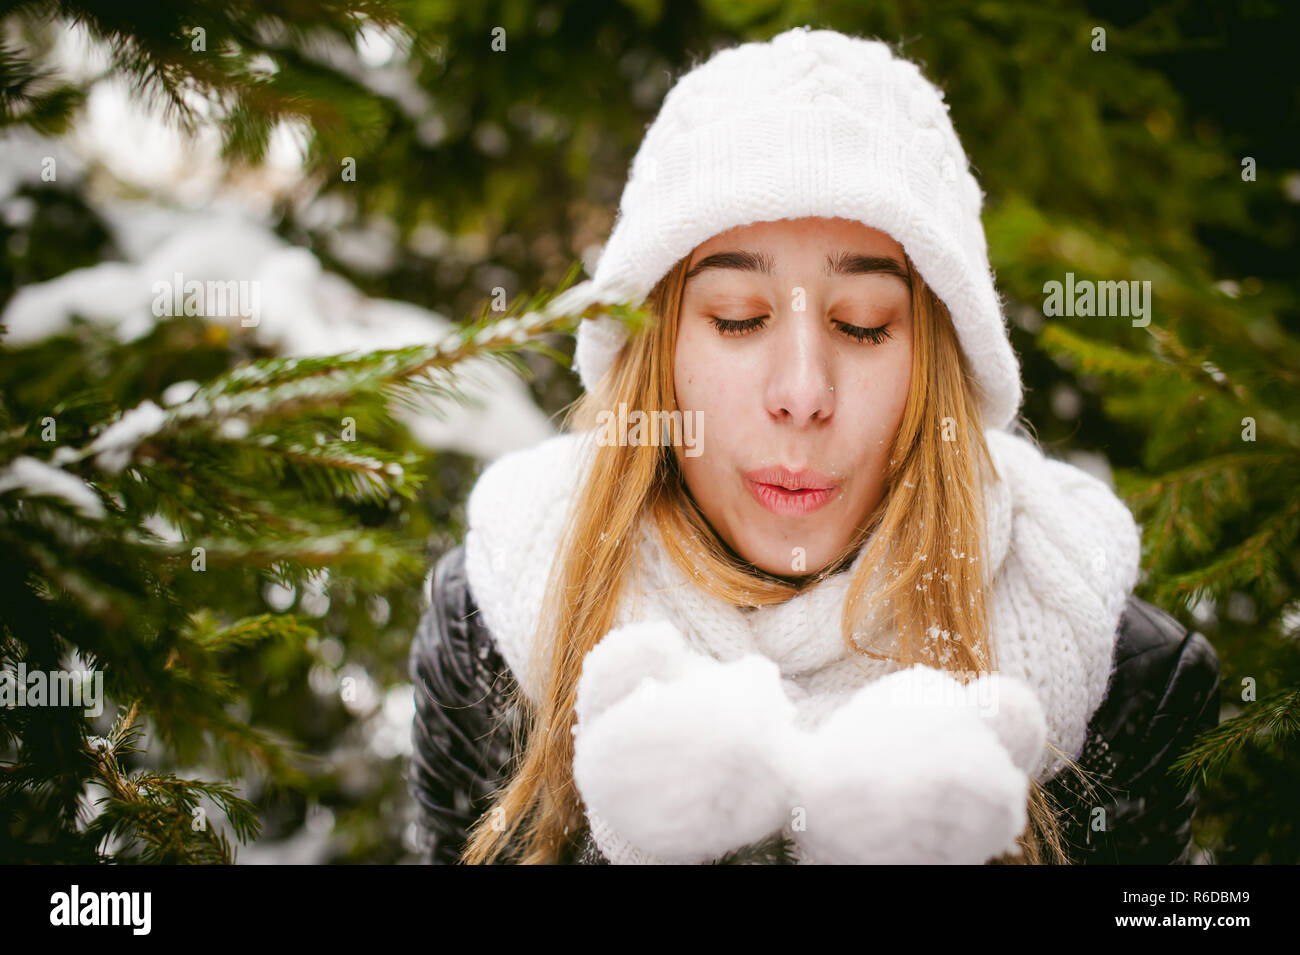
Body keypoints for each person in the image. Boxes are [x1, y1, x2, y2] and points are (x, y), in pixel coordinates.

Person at [407, 26, 1221, 864]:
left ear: (938, 361)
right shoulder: (499, 617)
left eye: (863, 325)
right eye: (738, 318)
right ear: (658, 353)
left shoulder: (1126, 676)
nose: (801, 393)